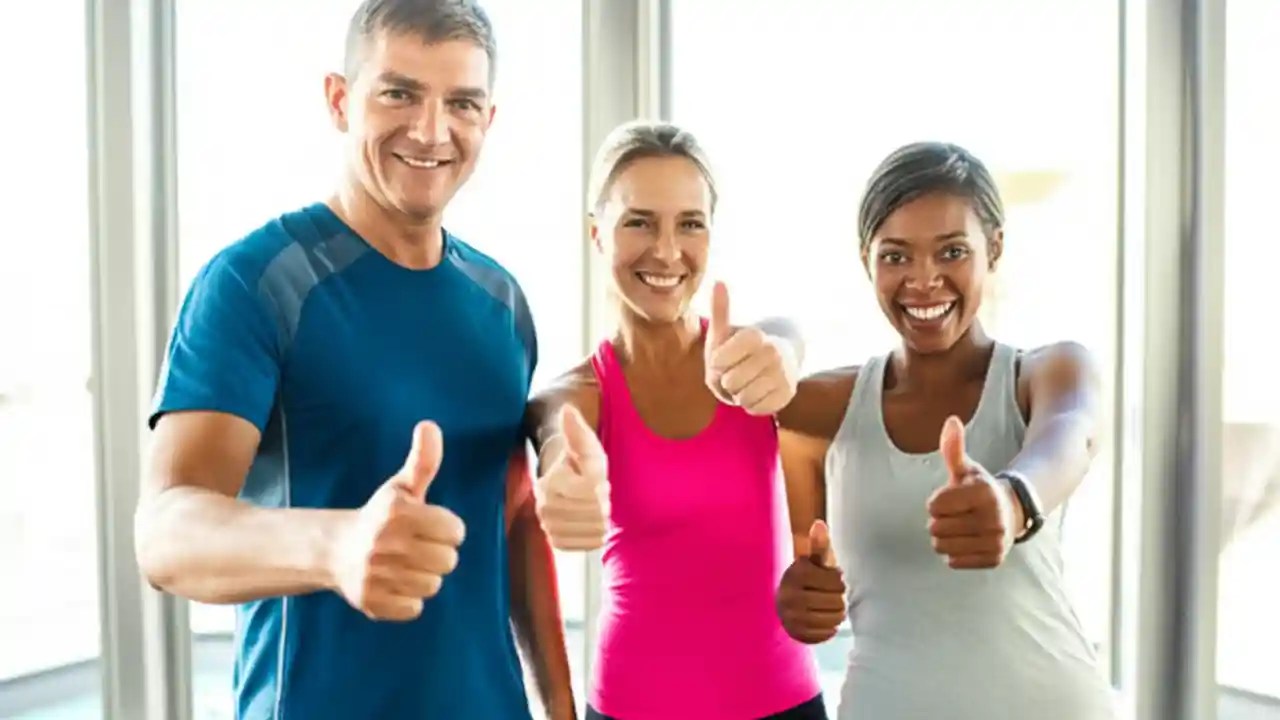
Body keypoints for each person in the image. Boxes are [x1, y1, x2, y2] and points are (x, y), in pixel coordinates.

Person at [133, 1, 574, 718]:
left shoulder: (502, 301)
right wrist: (336, 546)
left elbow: (514, 514)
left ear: (487, 120)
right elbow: (165, 535)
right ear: (341, 100)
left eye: (461, 102)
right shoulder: (256, 282)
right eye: (399, 93)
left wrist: (560, 702)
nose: (431, 131)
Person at [773, 141, 1118, 719]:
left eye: (952, 251)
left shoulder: (1048, 372)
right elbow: (807, 570)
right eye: (896, 256)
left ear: (995, 248)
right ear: (867, 261)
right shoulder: (819, 411)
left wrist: (1013, 501)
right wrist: (799, 599)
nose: (924, 280)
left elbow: (1071, 435)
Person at [526, 120, 827, 720]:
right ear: (596, 234)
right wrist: (564, 477)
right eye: (638, 221)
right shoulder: (577, 393)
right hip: (634, 708)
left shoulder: (752, 364)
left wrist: (787, 349)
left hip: (785, 704)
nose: (666, 251)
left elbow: (786, 341)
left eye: (690, 224)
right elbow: (559, 432)